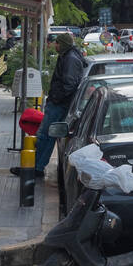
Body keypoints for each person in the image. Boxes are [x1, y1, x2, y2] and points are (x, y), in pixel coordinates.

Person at [11, 33, 87, 180]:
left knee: (44, 135)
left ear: (63, 44)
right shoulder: (69, 56)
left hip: (58, 104)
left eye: (57, 43)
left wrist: (55, 98)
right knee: (47, 135)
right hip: (59, 102)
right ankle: (37, 166)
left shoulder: (70, 59)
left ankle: (36, 167)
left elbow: (69, 84)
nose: (55, 45)